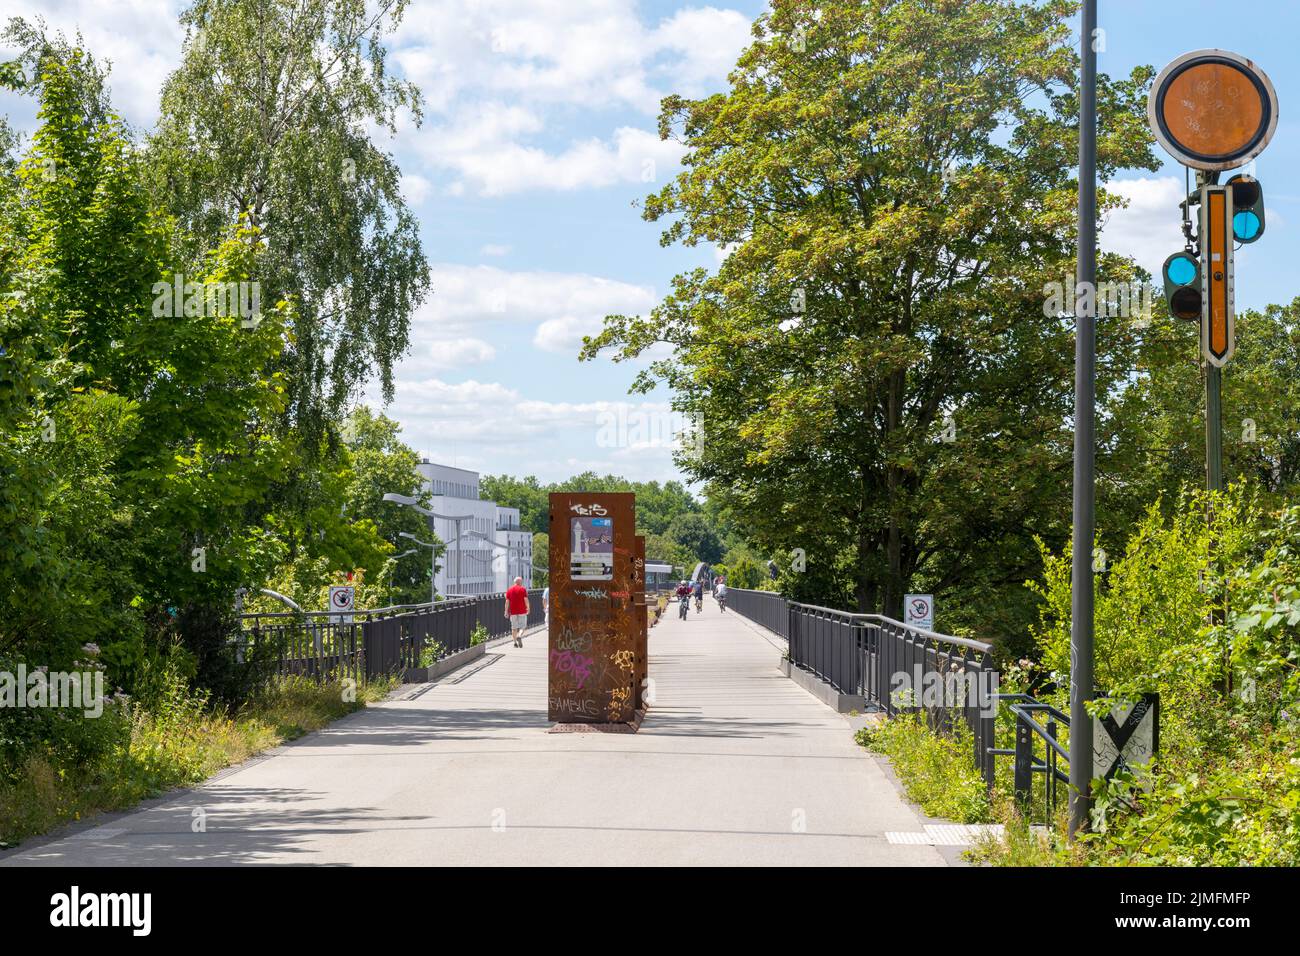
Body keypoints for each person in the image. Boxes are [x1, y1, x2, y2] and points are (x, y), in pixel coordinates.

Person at [505, 576, 530, 647]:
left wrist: (506, 611)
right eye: (521, 581)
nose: (522, 583)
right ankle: (519, 635)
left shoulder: (509, 590)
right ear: (519, 582)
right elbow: (526, 600)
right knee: (523, 626)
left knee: (514, 628)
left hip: (512, 612)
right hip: (522, 611)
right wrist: (528, 608)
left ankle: (515, 642)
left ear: (514, 582)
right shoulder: (523, 589)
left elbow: (507, 602)